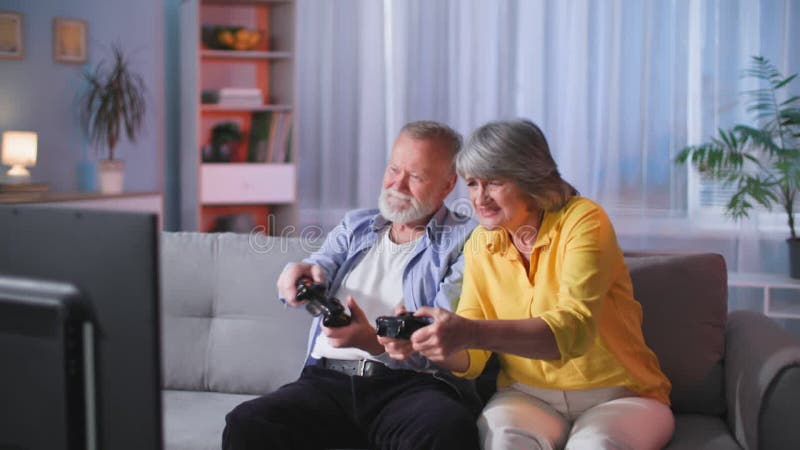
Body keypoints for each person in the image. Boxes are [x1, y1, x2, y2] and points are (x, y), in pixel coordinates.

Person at [386, 119, 675, 449]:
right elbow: (473, 357)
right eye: (472, 183)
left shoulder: (583, 220)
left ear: (529, 177)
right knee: (504, 442)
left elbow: (572, 330)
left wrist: (469, 331)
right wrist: (431, 345)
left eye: (494, 182)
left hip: (619, 397)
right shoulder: (481, 242)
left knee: (596, 445)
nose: (480, 198)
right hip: (527, 397)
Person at [222, 121, 480, 450]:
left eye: (415, 176)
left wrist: (374, 342)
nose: (397, 184)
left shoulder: (465, 240)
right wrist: (299, 272)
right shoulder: (357, 224)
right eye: (394, 169)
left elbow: (442, 334)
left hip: (412, 386)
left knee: (445, 429)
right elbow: (321, 264)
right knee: (248, 423)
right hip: (327, 381)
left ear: (447, 185)